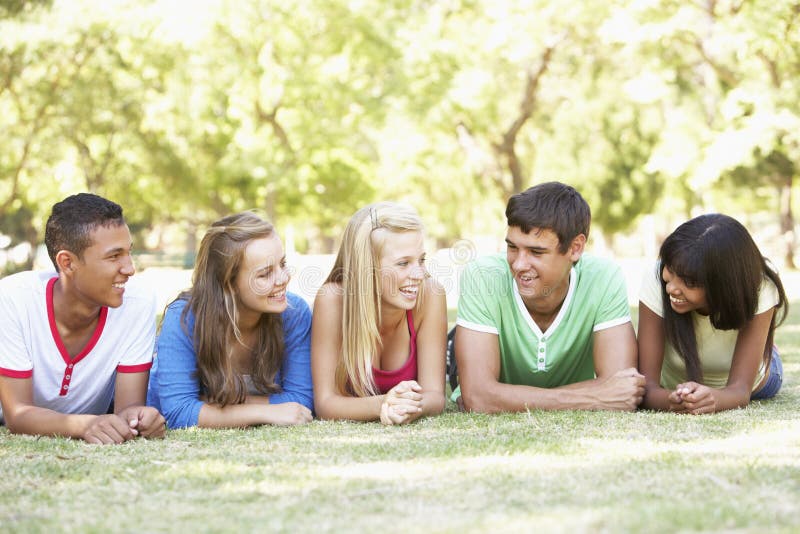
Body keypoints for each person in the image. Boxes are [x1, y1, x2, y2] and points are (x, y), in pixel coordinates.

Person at [454, 181, 644, 412]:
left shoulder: (604, 278)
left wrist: (503, 396)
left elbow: (622, 389)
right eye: (512, 247)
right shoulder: (482, 276)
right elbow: (479, 397)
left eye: (536, 252)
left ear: (575, 248)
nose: (519, 264)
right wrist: (594, 396)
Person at [0, 193, 165, 444]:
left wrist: (139, 417)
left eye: (129, 253)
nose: (130, 268)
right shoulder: (13, 299)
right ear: (67, 263)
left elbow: (127, 408)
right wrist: (85, 424)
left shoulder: (138, 303)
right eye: (114, 256)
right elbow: (17, 415)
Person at [147, 212, 313, 428]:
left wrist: (210, 404)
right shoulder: (185, 318)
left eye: (282, 264)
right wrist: (267, 412)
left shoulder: (293, 312)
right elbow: (179, 412)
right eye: (265, 274)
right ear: (228, 283)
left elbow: (301, 401)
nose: (283, 278)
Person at [312, 202, 447, 424]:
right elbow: (326, 404)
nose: (419, 274)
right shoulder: (332, 301)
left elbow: (435, 396)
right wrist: (385, 403)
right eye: (403, 263)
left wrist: (409, 408)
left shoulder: (430, 295)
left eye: (421, 260)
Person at [638, 213, 787, 414]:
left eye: (689, 282)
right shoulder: (656, 279)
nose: (671, 288)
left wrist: (711, 398)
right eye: (669, 271)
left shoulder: (759, 285)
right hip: (675, 384)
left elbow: (741, 391)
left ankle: (764, 349)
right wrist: (672, 400)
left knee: (762, 360)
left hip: (756, 382)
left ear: (723, 285)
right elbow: (647, 388)